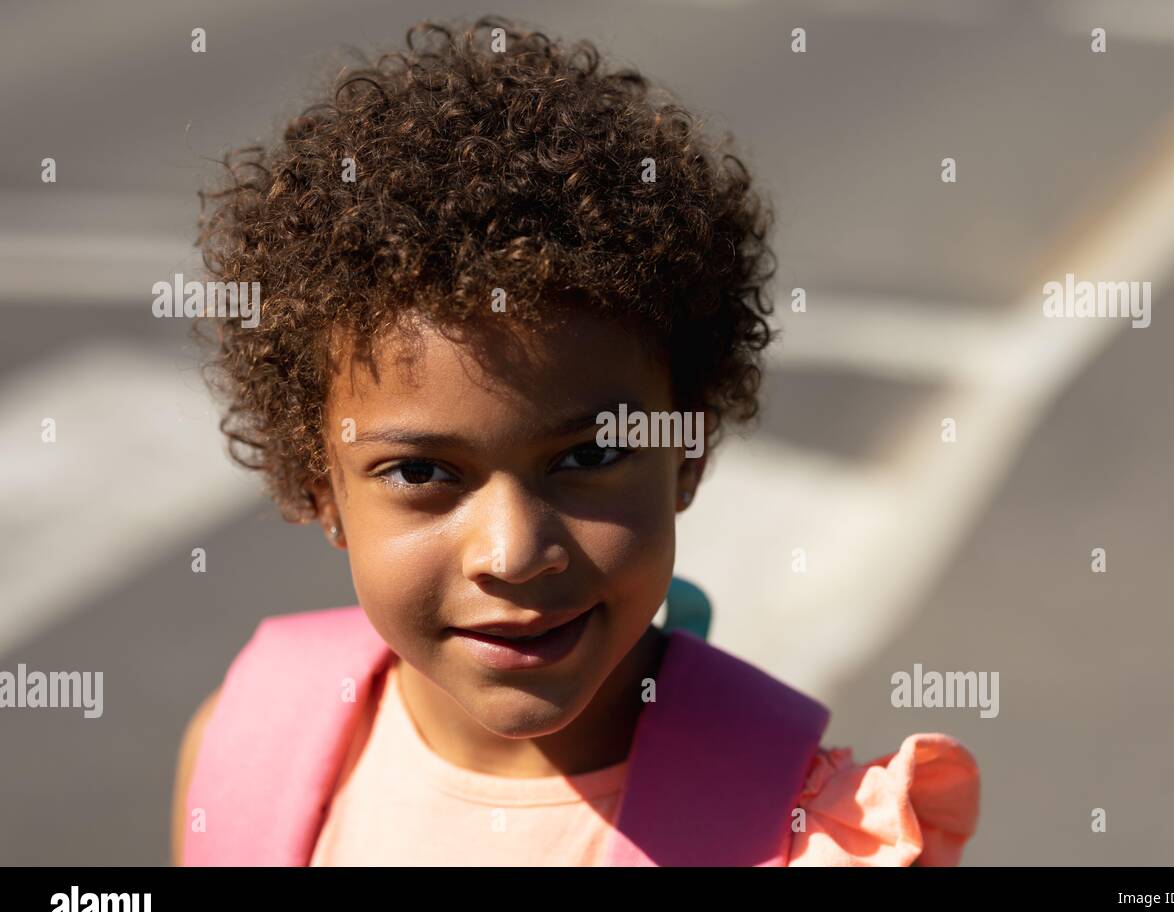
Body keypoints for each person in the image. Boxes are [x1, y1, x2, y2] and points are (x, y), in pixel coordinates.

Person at [170, 15, 979, 867]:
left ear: (688, 451)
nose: (515, 554)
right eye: (421, 471)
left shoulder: (807, 839)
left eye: (588, 456)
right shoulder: (243, 743)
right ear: (317, 484)